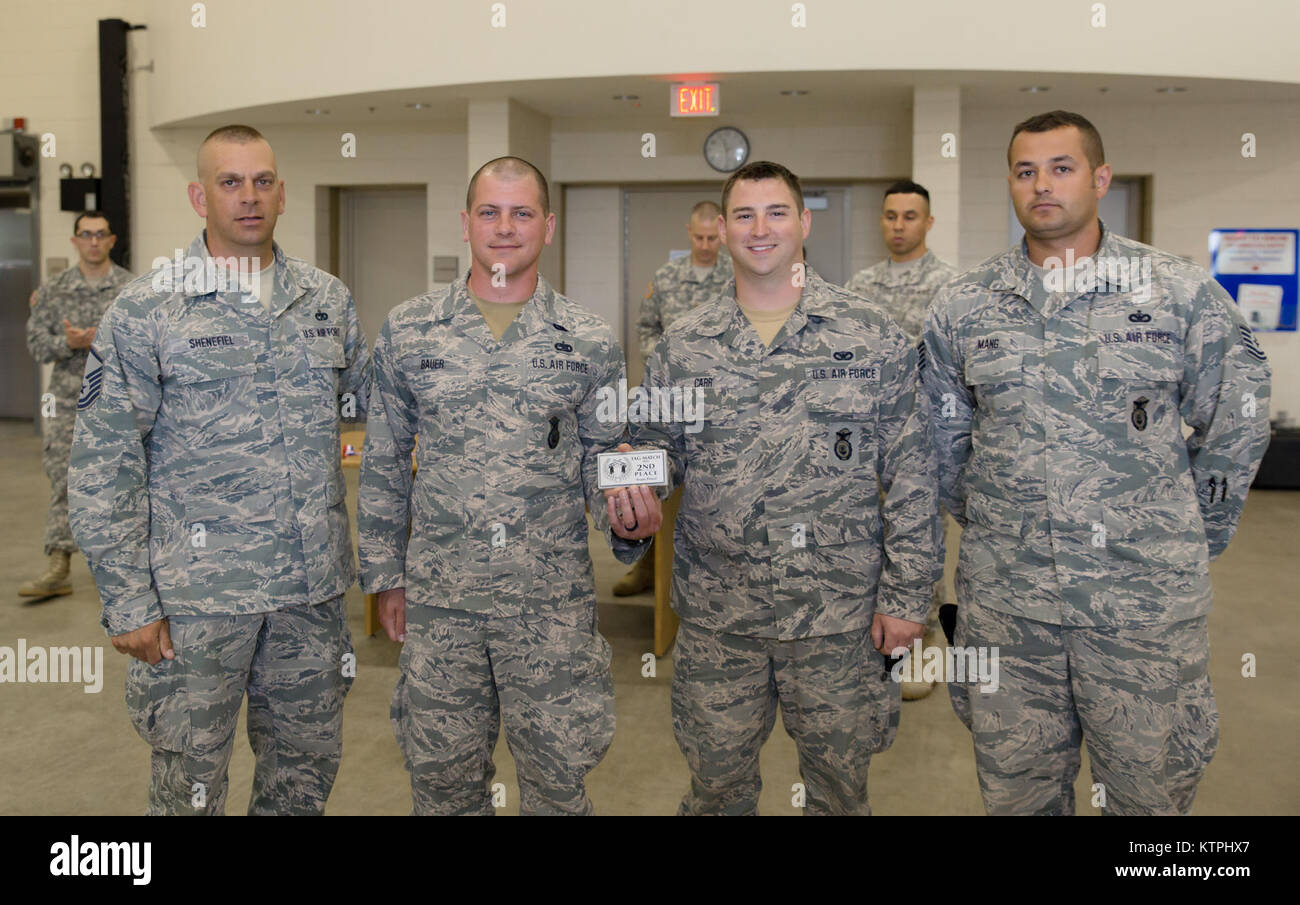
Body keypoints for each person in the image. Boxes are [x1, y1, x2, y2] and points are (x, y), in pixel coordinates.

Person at [922, 110, 1272, 815]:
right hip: (1009, 611)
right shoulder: (964, 305)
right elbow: (942, 442)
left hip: (1142, 614)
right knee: (1016, 796)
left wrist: (1180, 536)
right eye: (1025, 171)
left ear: (1100, 178)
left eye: (1061, 167)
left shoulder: (1176, 293)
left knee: (1148, 801)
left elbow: (1237, 418)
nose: (1041, 185)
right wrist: (1004, 521)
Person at [69, 125, 371, 815]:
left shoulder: (325, 300)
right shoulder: (148, 310)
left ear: (283, 193)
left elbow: (363, 415)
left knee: (302, 783)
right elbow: (102, 464)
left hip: (308, 596)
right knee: (189, 792)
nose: (249, 197)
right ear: (198, 195)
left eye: (263, 181)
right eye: (230, 183)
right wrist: (128, 600)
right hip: (195, 602)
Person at [632, 161, 939, 815]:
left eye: (776, 213)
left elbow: (912, 473)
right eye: (743, 215)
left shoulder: (871, 335)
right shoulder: (684, 346)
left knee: (838, 793)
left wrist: (909, 596)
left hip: (839, 619)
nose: (760, 229)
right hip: (721, 620)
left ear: (803, 223)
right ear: (724, 228)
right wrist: (632, 497)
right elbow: (657, 452)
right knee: (716, 790)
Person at [358, 156, 662, 815]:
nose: (505, 227)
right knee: (442, 789)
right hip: (443, 606)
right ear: (465, 222)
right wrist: (385, 577)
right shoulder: (411, 330)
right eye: (489, 212)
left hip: (549, 609)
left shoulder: (587, 341)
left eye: (522, 212)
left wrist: (630, 522)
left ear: (547, 226)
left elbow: (605, 466)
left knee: (557, 788)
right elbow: (383, 460)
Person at [845, 180, 958, 699]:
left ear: (928, 223)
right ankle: (870, 632)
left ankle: (921, 637)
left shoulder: (952, 288)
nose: (899, 226)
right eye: (891, 216)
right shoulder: (858, 288)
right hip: (866, 443)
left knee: (919, 533)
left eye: (910, 217)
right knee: (870, 534)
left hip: (926, 440)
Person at [618, 201, 733, 596]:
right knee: (654, 482)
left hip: (720, 402)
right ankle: (646, 570)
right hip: (668, 397)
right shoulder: (667, 277)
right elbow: (646, 325)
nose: (705, 245)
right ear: (688, 232)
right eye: (698, 237)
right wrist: (660, 360)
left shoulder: (735, 276)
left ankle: (714, 575)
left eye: (711, 238)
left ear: (721, 232)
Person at [20, 212, 133, 598]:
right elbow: (36, 344)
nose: (94, 242)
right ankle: (59, 562)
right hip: (68, 398)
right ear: (75, 241)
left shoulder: (132, 289)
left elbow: (147, 345)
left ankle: (126, 566)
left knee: (124, 479)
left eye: (101, 234)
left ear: (112, 240)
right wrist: (69, 343)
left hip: (120, 397)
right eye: (87, 235)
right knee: (62, 477)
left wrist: (102, 343)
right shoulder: (54, 290)